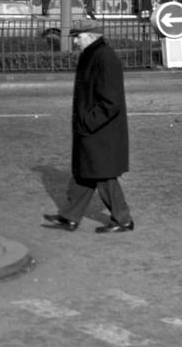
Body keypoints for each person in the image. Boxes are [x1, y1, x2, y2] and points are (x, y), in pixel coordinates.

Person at [43, 28, 133, 234]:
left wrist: (87, 122)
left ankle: (123, 219)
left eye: (78, 37)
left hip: (100, 129)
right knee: (86, 172)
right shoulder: (94, 55)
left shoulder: (104, 57)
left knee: (102, 174)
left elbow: (111, 101)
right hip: (95, 128)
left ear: (91, 36)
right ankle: (70, 217)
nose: (75, 41)